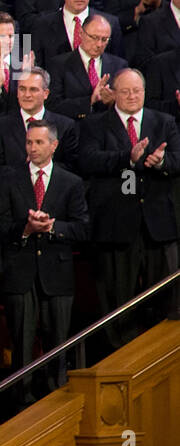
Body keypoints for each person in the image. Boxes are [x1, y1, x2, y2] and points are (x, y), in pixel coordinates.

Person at [78, 68, 180, 339]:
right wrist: (128, 158)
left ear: (145, 92)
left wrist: (161, 162)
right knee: (117, 300)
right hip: (115, 227)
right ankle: (119, 361)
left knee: (165, 298)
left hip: (158, 225)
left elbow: (177, 160)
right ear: (113, 93)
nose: (132, 96)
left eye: (137, 90)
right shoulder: (94, 124)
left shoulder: (165, 121)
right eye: (125, 91)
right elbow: (88, 160)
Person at [0, 121, 89, 401]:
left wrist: (53, 227)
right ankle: (22, 405)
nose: (32, 148)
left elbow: (83, 228)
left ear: (54, 145)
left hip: (57, 277)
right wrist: (25, 229)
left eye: (39, 143)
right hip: (20, 276)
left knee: (57, 343)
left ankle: (57, 403)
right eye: (29, 143)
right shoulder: (9, 179)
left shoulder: (71, 182)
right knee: (21, 346)